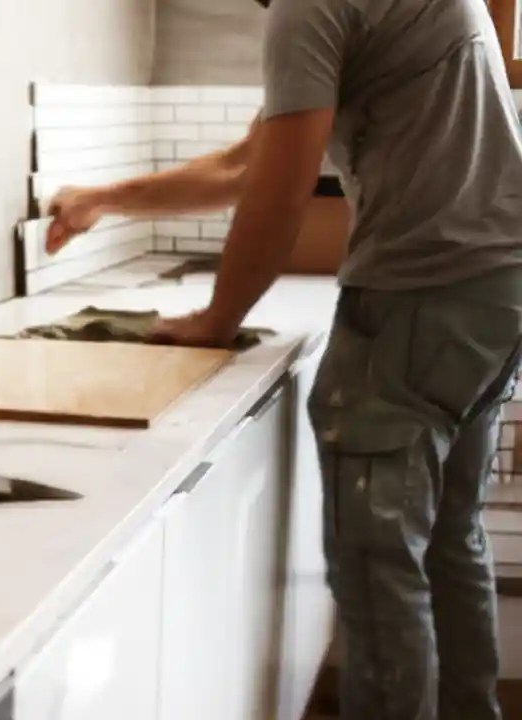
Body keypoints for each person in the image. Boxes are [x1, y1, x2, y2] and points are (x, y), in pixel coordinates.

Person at [47, 0, 522, 718]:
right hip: (494, 296)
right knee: (449, 542)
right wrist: (102, 201)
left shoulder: (311, 6)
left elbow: (279, 190)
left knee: (380, 570)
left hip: (416, 305)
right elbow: (250, 163)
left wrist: (216, 320)